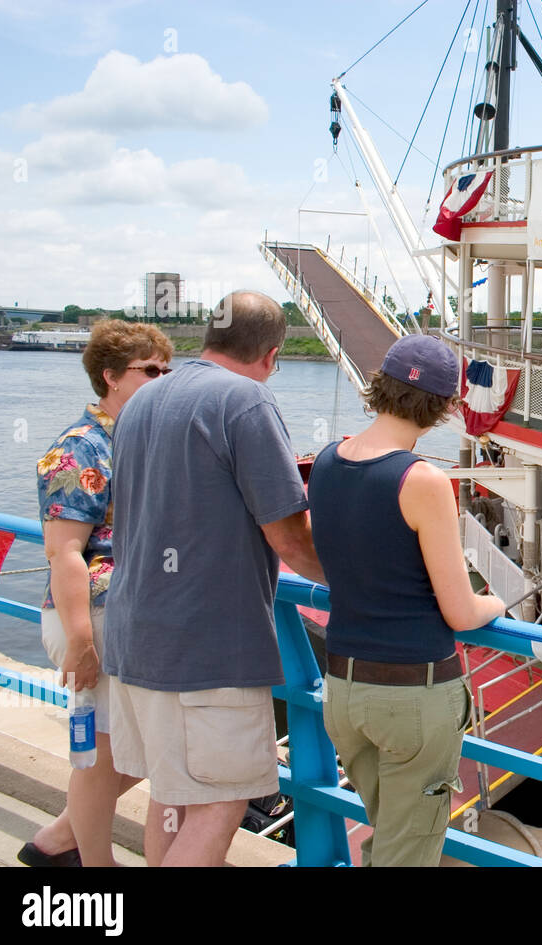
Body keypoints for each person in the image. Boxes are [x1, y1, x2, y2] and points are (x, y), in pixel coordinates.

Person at [102, 291, 325, 867]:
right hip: (205, 649)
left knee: (174, 796)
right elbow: (289, 535)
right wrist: (350, 583)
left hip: (135, 635)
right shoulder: (246, 402)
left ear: (209, 338)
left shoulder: (143, 399)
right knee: (222, 801)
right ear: (272, 354)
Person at [307, 335, 504, 867]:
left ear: (378, 386)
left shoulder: (326, 462)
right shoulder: (422, 481)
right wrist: (499, 604)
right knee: (407, 852)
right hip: (412, 695)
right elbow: (461, 612)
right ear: (443, 407)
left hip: (345, 689)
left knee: (388, 837)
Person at [21, 320, 173, 868]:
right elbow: (65, 553)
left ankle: (57, 842)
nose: (161, 380)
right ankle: (95, 868)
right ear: (109, 376)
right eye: (149, 370)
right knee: (106, 752)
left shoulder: (138, 438)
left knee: (138, 747)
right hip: (96, 614)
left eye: (166, 370)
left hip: (132, 613)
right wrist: (82, 643)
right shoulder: (80, 449)